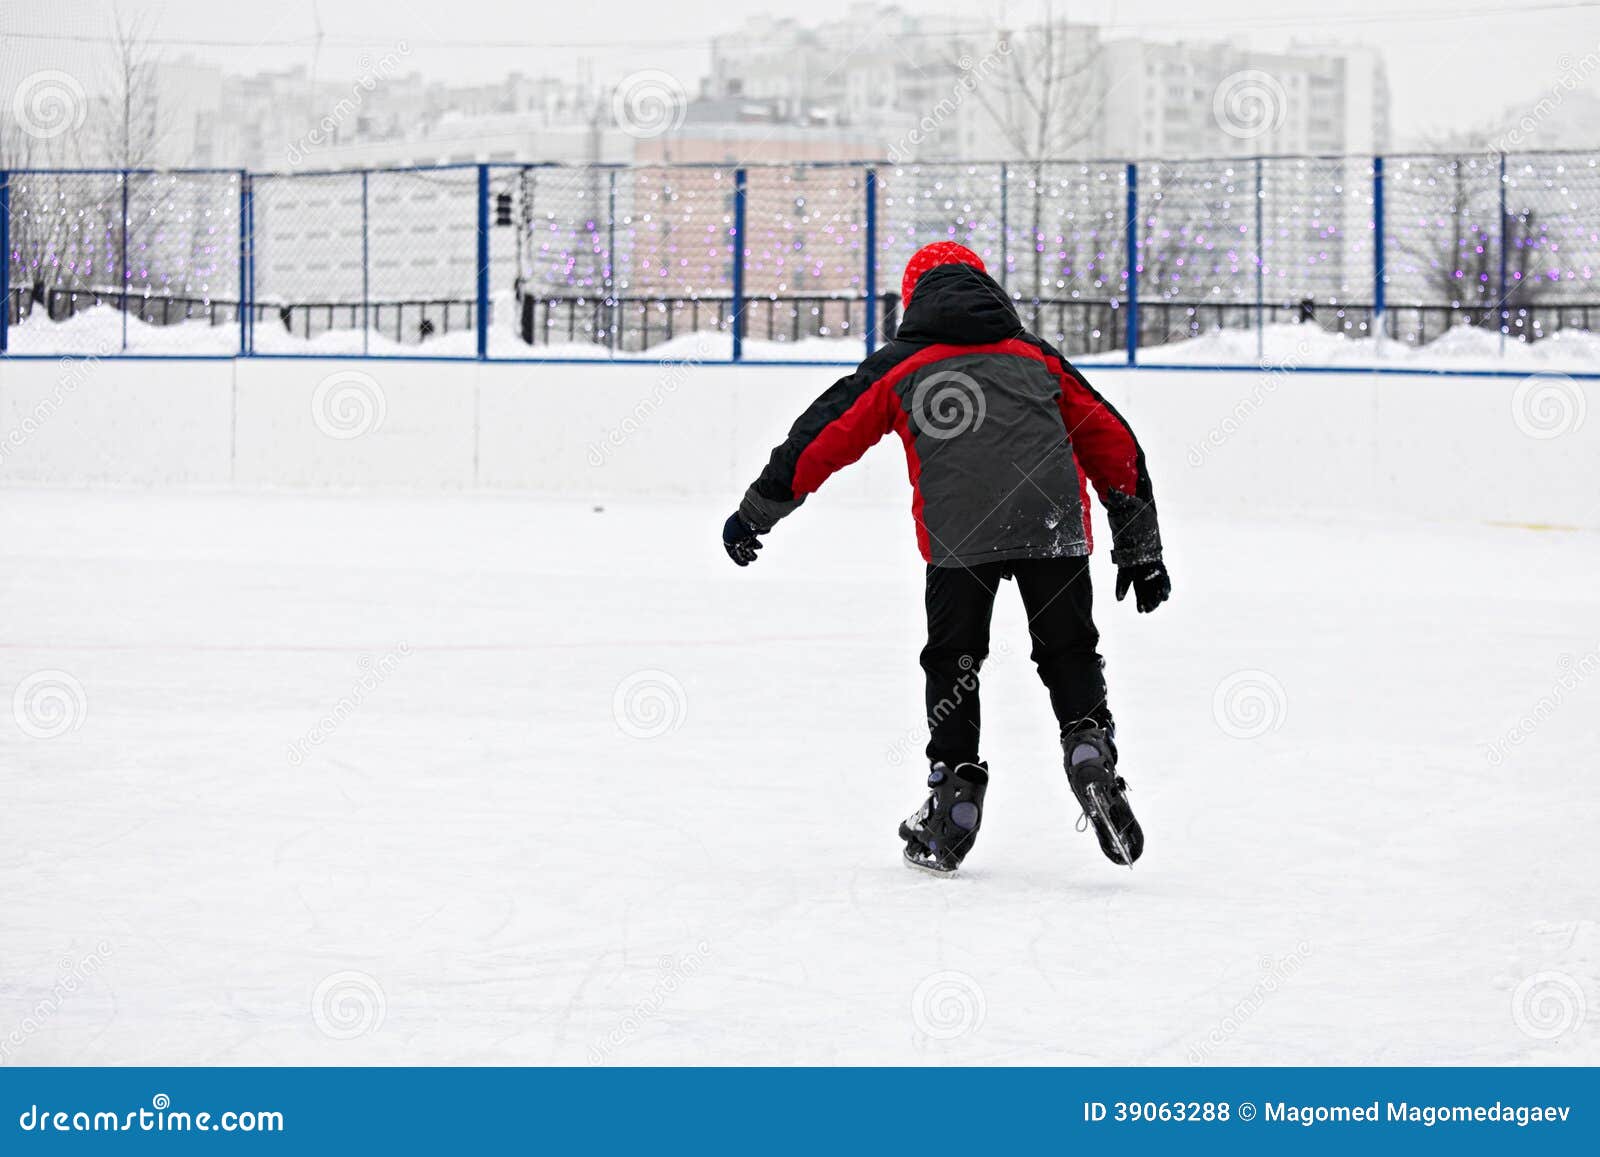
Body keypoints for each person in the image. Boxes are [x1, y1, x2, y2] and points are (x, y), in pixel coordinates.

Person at [721, 241, 1170, 873]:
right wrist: (1140, 547)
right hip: (1052, 523)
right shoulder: (1036, 358)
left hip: (962, 537)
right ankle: (1090, 749)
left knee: (954, 662)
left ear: (914, 300)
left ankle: (954, 796)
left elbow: (820, 437)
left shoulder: (903, 365)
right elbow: (1114, 441)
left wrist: (754, 513)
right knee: (1068, 650)